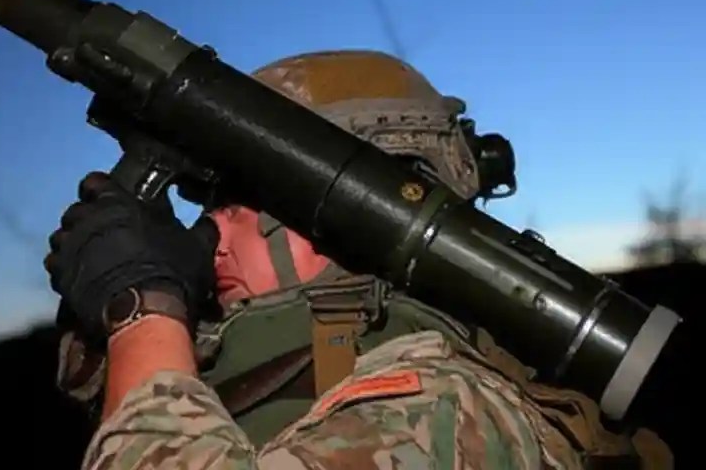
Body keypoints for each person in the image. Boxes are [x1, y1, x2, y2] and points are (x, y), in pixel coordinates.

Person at [45, 50, 671, 469]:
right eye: (208, 198)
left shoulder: (448, 408)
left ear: (354, 218)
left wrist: (141, 310)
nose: (212, 226)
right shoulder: (291, 370)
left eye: (240, 197)